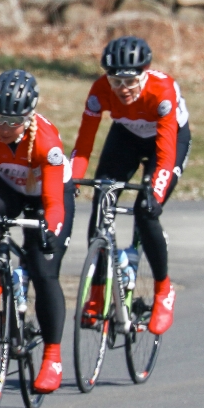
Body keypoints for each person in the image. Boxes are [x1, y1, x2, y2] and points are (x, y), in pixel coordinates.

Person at [0, 70, 72, 393]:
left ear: (29, 116)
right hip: (7, 184)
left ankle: (52, 355)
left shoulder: (46, 142)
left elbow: (53, 203)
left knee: (43, 269)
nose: (5, 128)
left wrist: (51, 229)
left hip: (47, 197)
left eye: (13, 121)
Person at [70, 36, 190, 335]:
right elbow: (84, 144)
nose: (122, 89)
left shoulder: (161, 92)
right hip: (125, 136)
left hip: (167, 140)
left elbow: (164, 156)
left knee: (146, 211)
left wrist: (155, 193)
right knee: (102, 202)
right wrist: (72, 179)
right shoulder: (99, 92)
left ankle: (164, 291)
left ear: (145, 74)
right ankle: (97, 293)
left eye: (130, 81)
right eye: (115, 80)